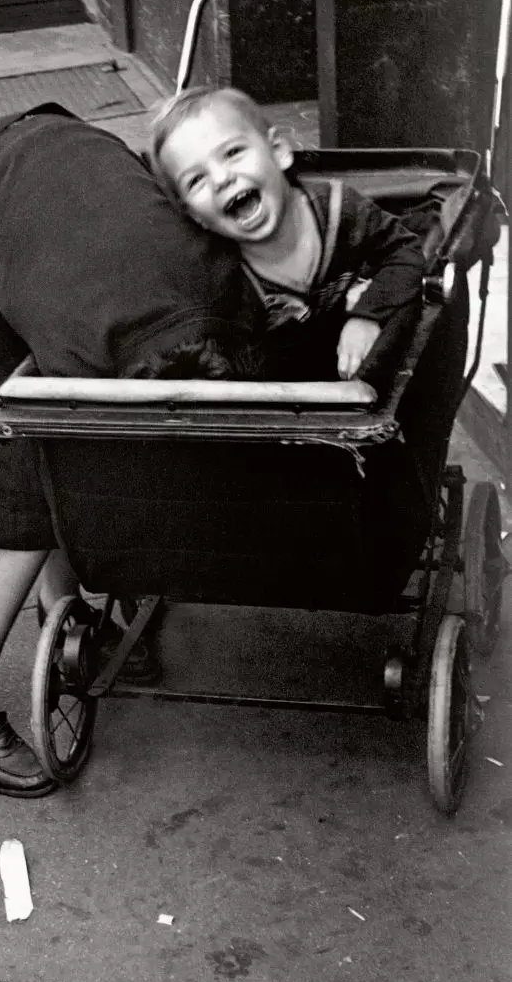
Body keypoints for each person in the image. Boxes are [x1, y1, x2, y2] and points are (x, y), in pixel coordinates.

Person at [0, 103, 261, 799]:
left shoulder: (221, 286)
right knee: (27, 466)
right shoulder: (84, 337)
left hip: (62, 180)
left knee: (68, 452)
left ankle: (69, 612)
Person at [148, 84, 472, 598]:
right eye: (197, 180)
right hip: (285, 386)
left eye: (233, 152)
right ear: (192, 214)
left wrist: (368, 316)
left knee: (397, 352)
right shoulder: (223, 269)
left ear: (278, 152)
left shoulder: (338, 209)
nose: (223, 177)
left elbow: (406, 254)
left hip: (356, 372)